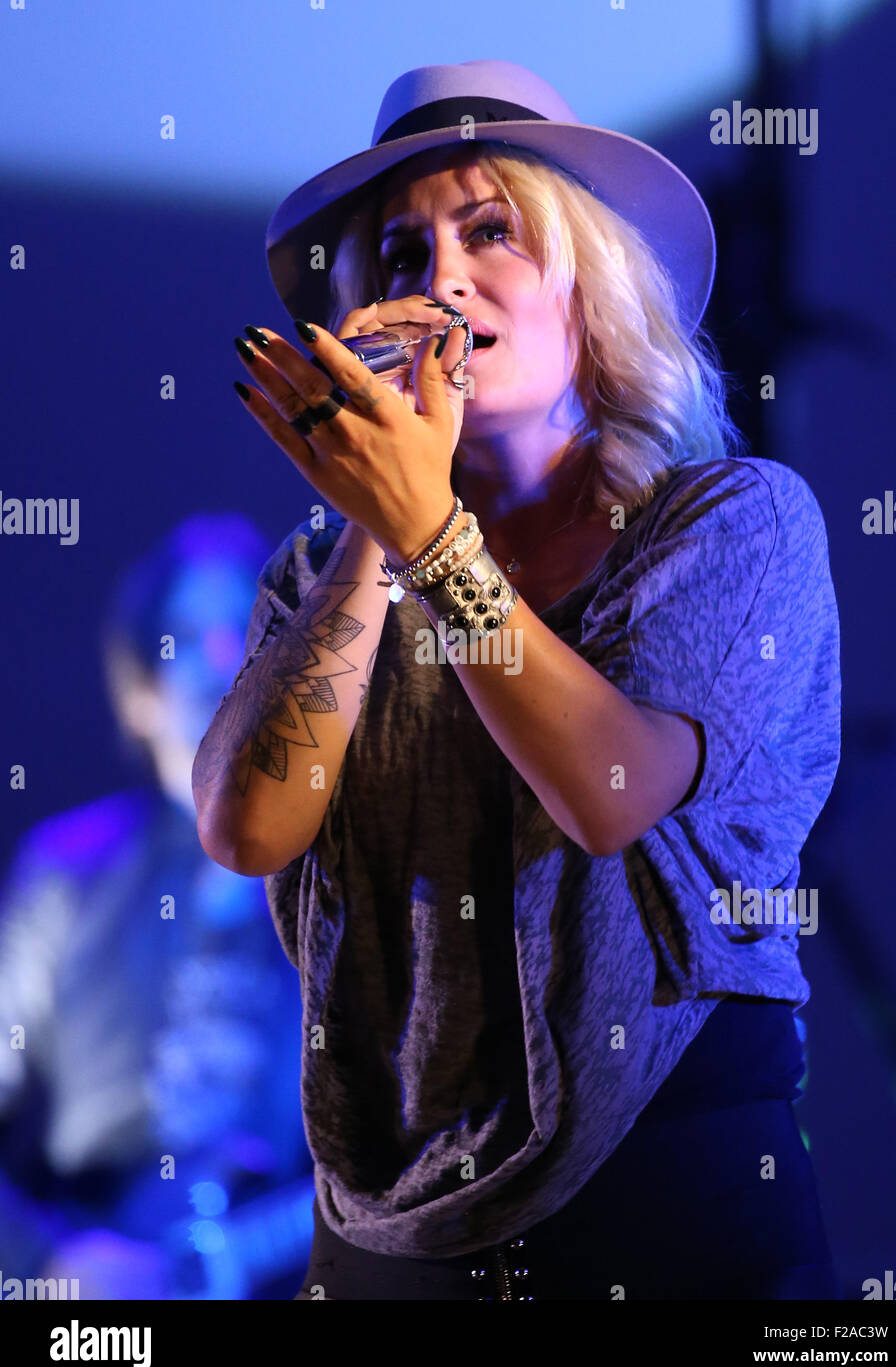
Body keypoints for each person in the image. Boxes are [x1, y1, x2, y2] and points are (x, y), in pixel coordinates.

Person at [193, 60, 843, 1300]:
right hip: (392, 1221)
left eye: (488, 230)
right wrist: (376, 531)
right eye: (395, 253)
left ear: (587, 289)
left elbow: (609, 789)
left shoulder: (730, 522)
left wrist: (434, 534)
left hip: (670, 1200)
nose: (436, 279)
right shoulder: (322, 573)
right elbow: (244, 824)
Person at [0, 516, 314, 1299]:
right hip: (102, 1285)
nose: (216, 660)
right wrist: (50, 1265)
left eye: (242, 629)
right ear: (138, 693)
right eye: (184, 635)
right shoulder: (67, 873)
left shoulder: (347, 865)